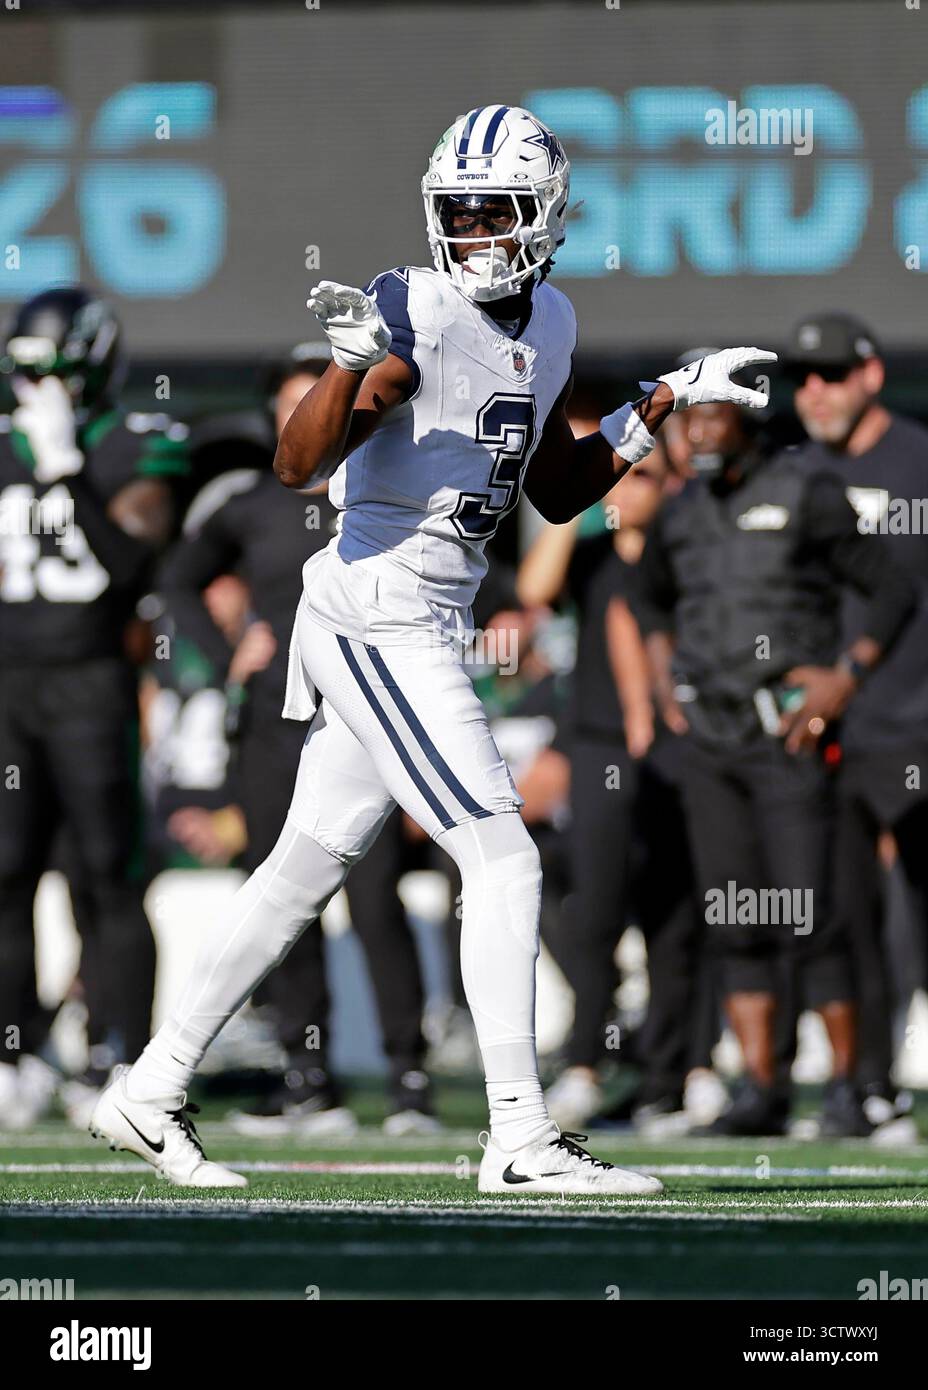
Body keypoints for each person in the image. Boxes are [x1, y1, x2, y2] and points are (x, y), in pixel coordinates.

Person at [90, 103, 772, 1193]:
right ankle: (520, 1137)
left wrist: (662, 400)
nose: (472, 233)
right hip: (379, 612)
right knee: (503, 855)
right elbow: (298, 466)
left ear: (544, 214)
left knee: (300, 870)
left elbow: (559, 489)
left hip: (426, 619)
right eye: (457, 212)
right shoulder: (414, 308)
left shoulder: (551, 320)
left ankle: (150, 1088)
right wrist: (341, 367)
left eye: (493, 213)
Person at [157, 348, 438, 1136]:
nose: (308, 413)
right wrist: (227, 653)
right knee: (283, 898)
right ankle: (307, 1078)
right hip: (274, 726)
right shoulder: (250, 503)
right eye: (292, 402)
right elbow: (176, 579)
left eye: (323, 397)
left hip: (368, 719)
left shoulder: (390, 489)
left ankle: (409, 1080)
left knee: (375, 899)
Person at [634, 366, 915, 1136]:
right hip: (711, 744)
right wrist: (663, 684)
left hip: (787, 737)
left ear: (748, 419)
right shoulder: (680, 509)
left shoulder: (805, 492)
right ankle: (762, 1089)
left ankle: (851, 1087)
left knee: (812, 917)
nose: (695, 432)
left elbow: (893, 588)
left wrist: (845, 678)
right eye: (687, 418)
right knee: (734, 918)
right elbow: (647, 599)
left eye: (711, 416)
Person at [0, 286, 188, 1127]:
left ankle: (120, 1054)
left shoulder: (137, 441)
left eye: (54, 371)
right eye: (27, 372)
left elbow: (133, 563)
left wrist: (68, 471)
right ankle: (12, 1053)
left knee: (107, 875)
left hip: (91, 683)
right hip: (8, 685)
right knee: (5, 873)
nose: (38, 390)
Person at [518, 394, 708, 1130]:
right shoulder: (594, 557)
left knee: (674, 913)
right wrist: (576, 501)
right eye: (620, 477)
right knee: (594, 910)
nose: (628, 489)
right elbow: (533, 591)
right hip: (598, 744)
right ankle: (585, 1063)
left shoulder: (683, 559)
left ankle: (672, 1072)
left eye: (644, 476)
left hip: (676, 747)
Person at [784, 313, 928, 1133]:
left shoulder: (919, 461)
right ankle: (868, 1085)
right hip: (824, 731)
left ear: (871, 375)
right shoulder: (793, 472)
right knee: (843, 914)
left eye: (833, 374)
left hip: (916, 721)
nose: (816, 392)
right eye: (804, 378)